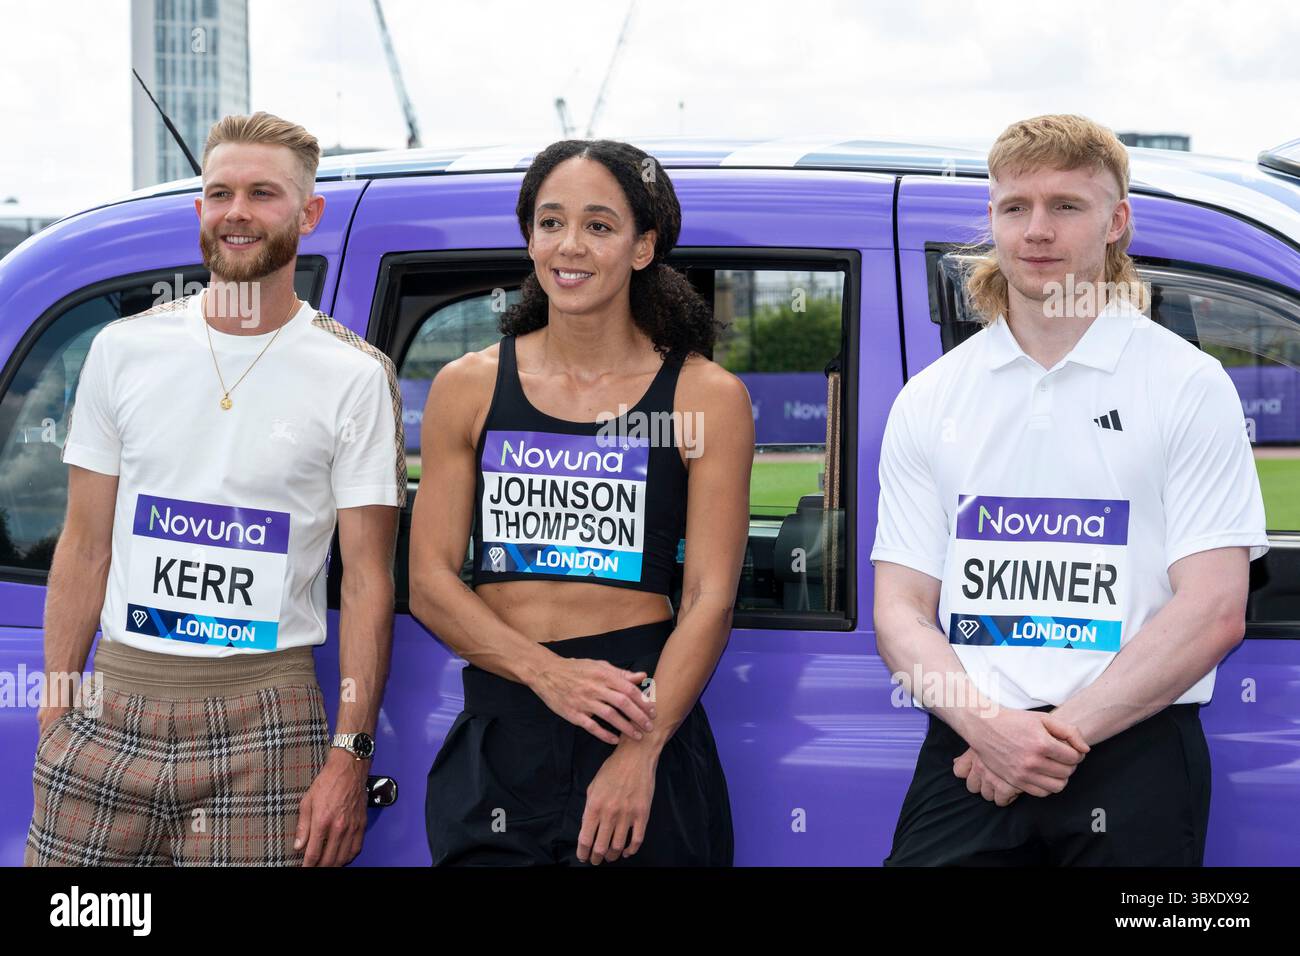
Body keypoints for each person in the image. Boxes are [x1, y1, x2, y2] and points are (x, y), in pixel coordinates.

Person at [871, 114, 1269, 866]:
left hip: (1133, 748)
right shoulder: (931, 396)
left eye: (1067, 206)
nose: (1037, 230)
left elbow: (1216, 610)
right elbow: (899, 612)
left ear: (1116, 221)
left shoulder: (1186, 384)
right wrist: (992, 730)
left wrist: (1048, 740)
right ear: (992, 220)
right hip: (971, 747)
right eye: (1015, 207)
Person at [26, 112, 405, 867]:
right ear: (199, 209)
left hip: (270, 715)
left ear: (308, 213)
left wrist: (351, 753)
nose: (238, 212)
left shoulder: (356, 376)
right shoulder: (122, 350)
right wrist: (56, 704)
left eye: (263, 193)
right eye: (220, 192)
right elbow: (84, 542)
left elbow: (368, 579)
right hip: (115, 700)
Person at [410, 139, 752, 866]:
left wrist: (641, 748)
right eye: (551, 222)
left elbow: (709, 599)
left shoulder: (705, 396)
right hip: (503, 724)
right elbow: (431, 584)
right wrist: (548, 674)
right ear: (530, 236)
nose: (570, 245)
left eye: (599, 225)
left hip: (638, 712)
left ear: (642, 245)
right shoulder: (467, 386)